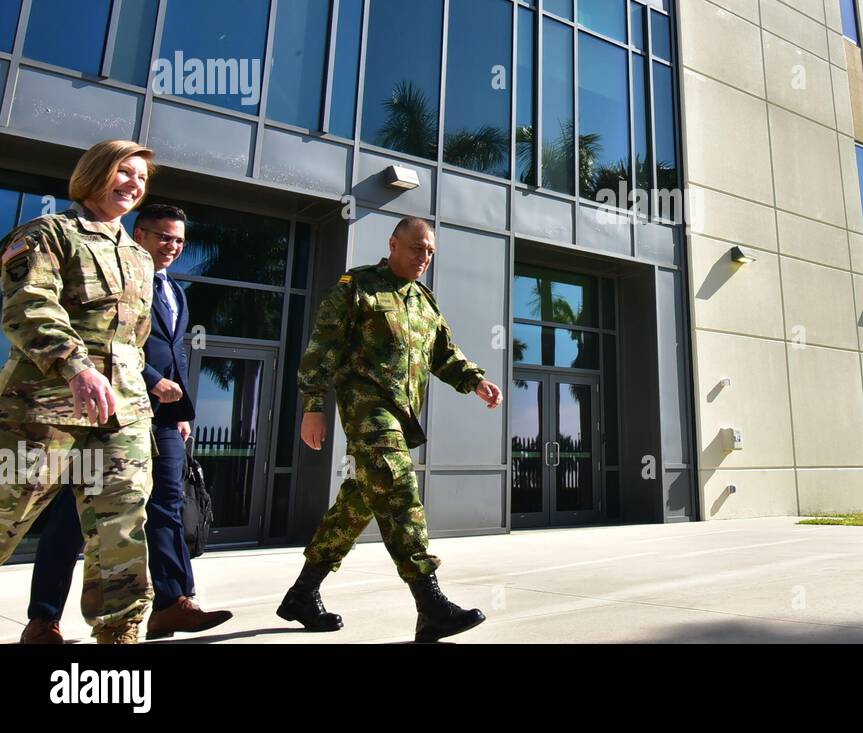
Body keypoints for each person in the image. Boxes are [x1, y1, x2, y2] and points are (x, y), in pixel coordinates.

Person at [278, 217, 503, 642]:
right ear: (393, 243)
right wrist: (313, 407)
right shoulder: (357, 287)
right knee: (399, 488)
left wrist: (475, 381)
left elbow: (444, 355)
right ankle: (430, 602)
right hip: (368, 410)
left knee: (357, 506)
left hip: (402, 418)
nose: (424, 257)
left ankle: (302, 595)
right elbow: (320, 350)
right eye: (417, 248)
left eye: (431, 251)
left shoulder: (424, 301)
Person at [18, 204, 233, 643]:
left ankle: (172, 605)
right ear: (140, 233)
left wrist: (181, 412)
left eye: (178, 240)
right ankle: (43, 620)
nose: (171, 246)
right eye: (162, 237)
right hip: (110, 405)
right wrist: (153, 382)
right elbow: (109, 342)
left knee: (166, 506)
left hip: (164, 419)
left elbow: (176, 352)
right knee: (73, 516)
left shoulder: (175, 289)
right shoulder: (117, 276)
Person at [0, 139, 157, 644]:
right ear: (94, 173)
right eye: (123, 172)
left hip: (123, 415)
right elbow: (29, 307)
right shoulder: (48, 234)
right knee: (7, 511)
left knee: (123, 530)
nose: (133, 184)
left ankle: (121, 641)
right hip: (45, 407)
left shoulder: (139, 256)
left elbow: (136, 338)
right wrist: (76, 366)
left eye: (141, 178)